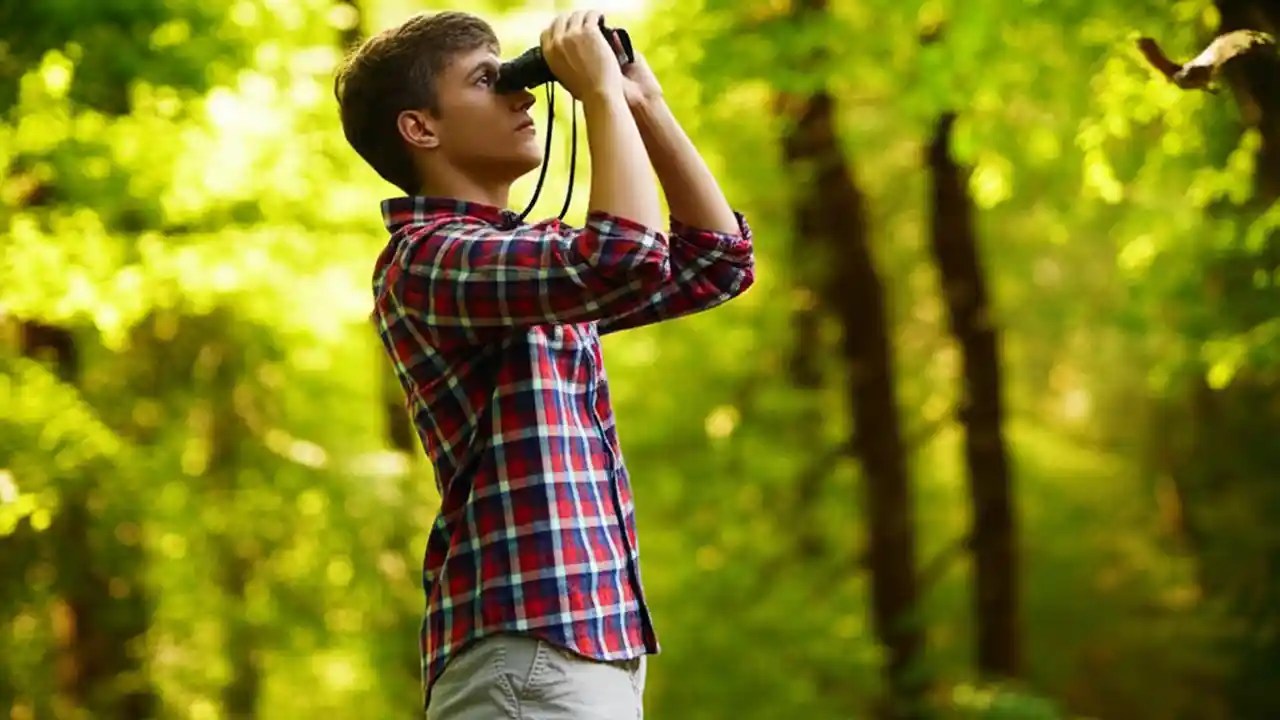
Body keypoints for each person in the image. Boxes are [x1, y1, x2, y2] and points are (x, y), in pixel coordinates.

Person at [334, 8, 755, 718]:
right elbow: (623, 256)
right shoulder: (427, 260)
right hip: (528, 646)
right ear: (420, 128)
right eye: (487, 81)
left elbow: (715, 264)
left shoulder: (529, 268)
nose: (522, 95)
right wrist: (593, 97)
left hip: (576, 645)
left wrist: (641, 103)